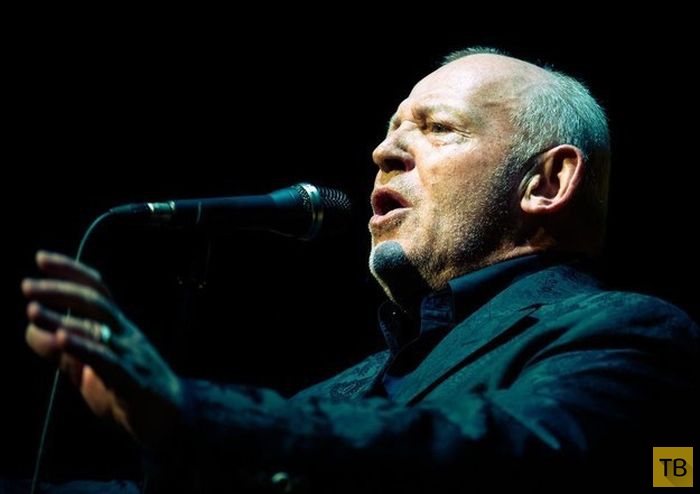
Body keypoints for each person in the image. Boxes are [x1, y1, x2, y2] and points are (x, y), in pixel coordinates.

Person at [22, 47, 698, 493]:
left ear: (547, 181)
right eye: (391, 128)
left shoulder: (630, 334)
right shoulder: (347, 386)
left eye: (437, 128)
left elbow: (510, 455)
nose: (383, 152)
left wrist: (192, 411)